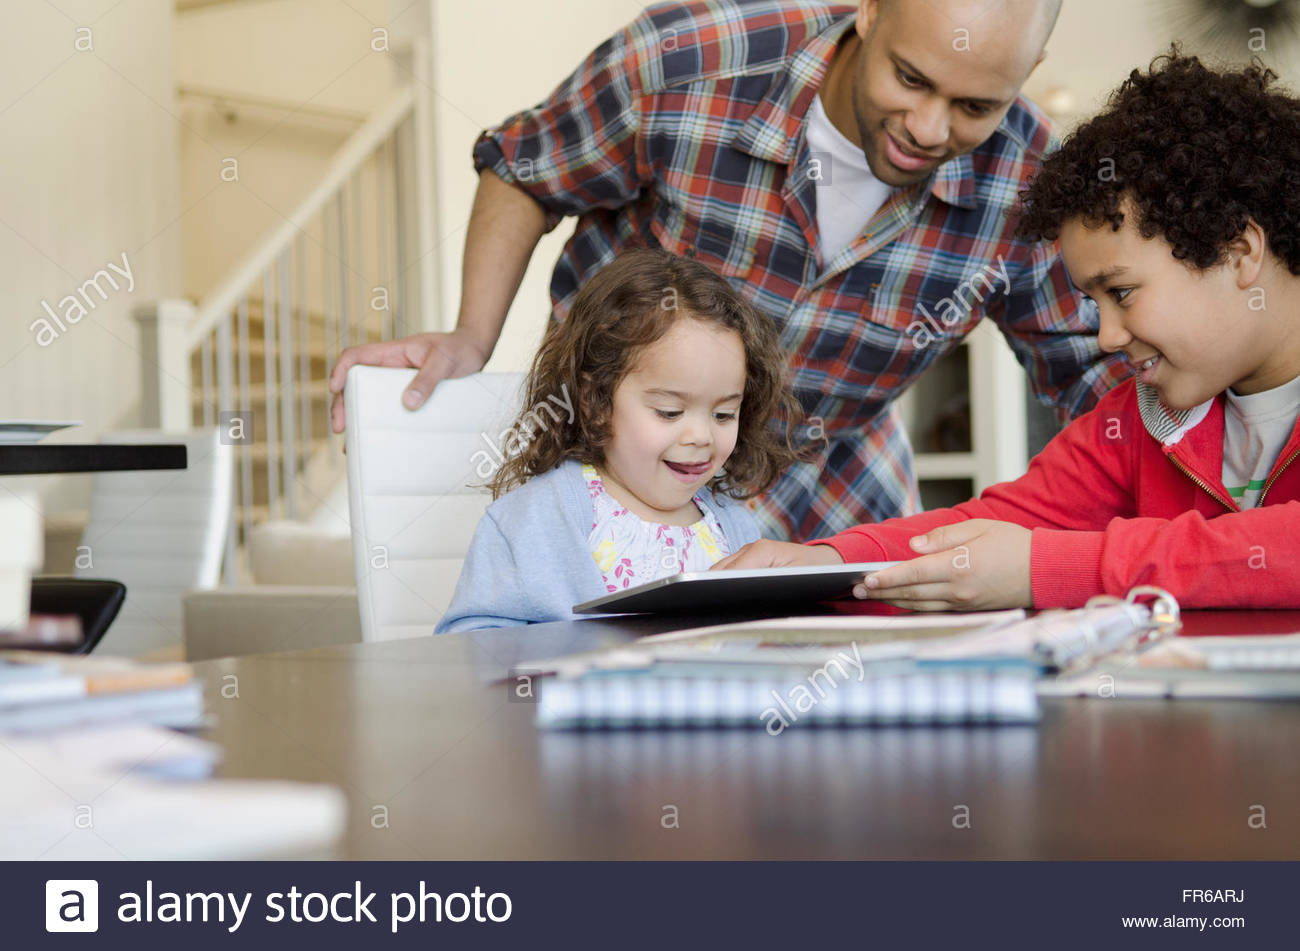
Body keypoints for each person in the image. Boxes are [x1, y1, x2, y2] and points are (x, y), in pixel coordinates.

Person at [330, 0, 1129, 542]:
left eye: (975, 107)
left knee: (865, 758)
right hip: (623, 471)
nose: (927, 128)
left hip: (833, 483)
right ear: (870, 9)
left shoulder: (1026, 176)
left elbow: (1089, 372)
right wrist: (473, 336)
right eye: (910, 79)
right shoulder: (687, 63)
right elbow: (525, 169)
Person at [714, 51, 1300, 611]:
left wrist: (1046, 568)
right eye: (1094, 303)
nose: (1107, 339)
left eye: (1120, 293)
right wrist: (823, 563)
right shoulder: (1137, 421)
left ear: (1238, 251)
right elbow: (1005, 523)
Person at [436, 249, 801, 632]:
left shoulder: (734, 527)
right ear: (596, 402)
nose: (701, 437)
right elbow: (467, 647)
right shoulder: (536, 519)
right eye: (669, 412)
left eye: (724, 415)